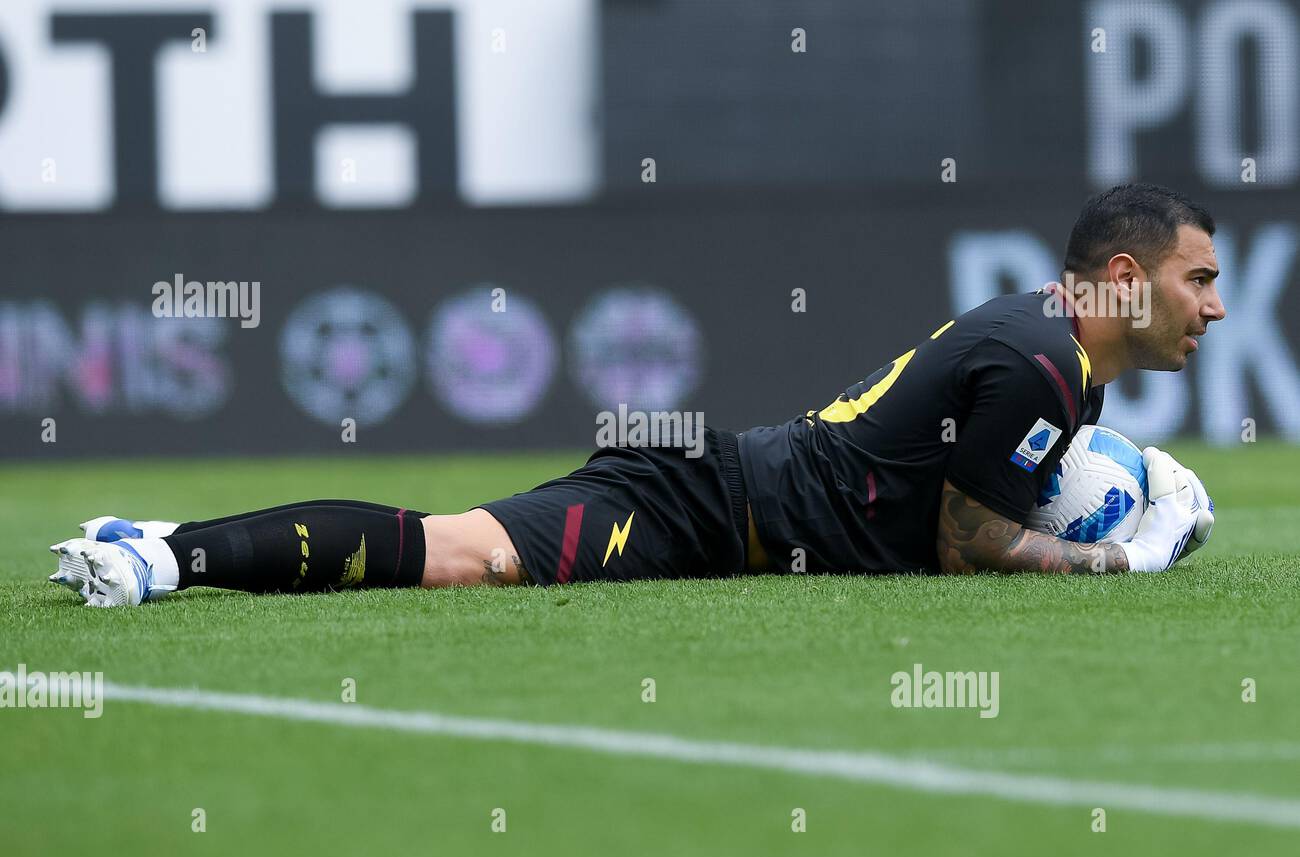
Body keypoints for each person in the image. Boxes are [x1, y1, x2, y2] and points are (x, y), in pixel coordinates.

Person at [49, 183, 1223, 607]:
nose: (1214, 306)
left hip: (743, 509)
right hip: (708, 506)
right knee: (461, 556)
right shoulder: (1037, 363)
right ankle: (169, 562)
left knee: (459, 550)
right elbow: (970, 552)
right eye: (1197, 278)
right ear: (1121, 280)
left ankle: (156, 538)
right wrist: (1128, 552)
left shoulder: (1051, 353)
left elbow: (968, 510)